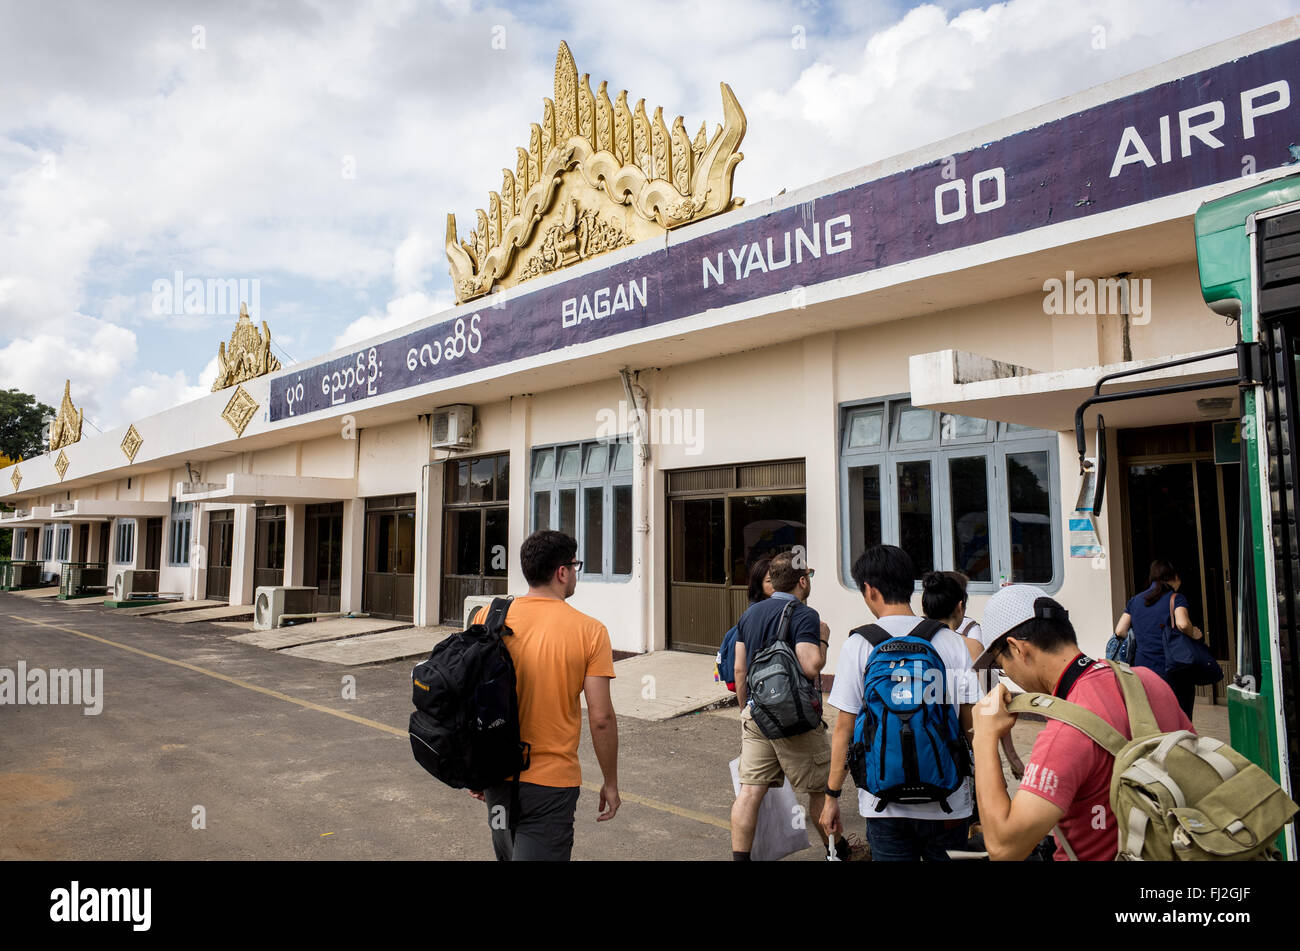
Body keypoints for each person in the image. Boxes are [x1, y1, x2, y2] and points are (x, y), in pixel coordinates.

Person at [972, 584, 1195, 861]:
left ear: (1017, 648)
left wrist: (983, 736)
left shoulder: (1064, 733)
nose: (1005, 673)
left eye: (998, 664)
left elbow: (1004, 847)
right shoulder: (1147, 681)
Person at [821, 545, 981, 861]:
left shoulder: (859, 645)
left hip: (883, 804)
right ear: (911, 586)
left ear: (869, 590)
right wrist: (985, 791)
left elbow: (844, 729)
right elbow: (972, 724)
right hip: (948, 801)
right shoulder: (949, 640)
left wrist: (831, 796)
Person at [468, 530, 620, 861]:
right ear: (562, 572)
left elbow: (469, 697)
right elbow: (602, 718)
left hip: (497, 775)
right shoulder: (590, 631)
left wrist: (476, 766)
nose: (575, 574)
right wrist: (610, 781)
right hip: (551, 783)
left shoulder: (489, 618)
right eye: (575, 565)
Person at [731, 550, 846, 861]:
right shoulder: (805, 614)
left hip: (758, 714)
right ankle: (838, 853)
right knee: (819, 791)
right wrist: (823, 638)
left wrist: (749, 709)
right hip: (795, 719)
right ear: (802, 581)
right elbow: (811, 666)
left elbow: (739, 669)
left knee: (750, 792)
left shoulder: (749, 614)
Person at [1113, 559, 1205, 719]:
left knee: (1153, 717)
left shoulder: (1135, 601)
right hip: (1173, 670)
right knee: (1179, 716)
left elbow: (1120, 630)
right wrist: (1195, 633)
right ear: (1174, 577)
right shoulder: (1176, 598)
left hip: (1142, 671)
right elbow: (1182, 624)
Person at [921, 571, 982, 664]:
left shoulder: (913, 641)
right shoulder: (971, 647)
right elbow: (983, 677)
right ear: (959, 606)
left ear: (925, 610)